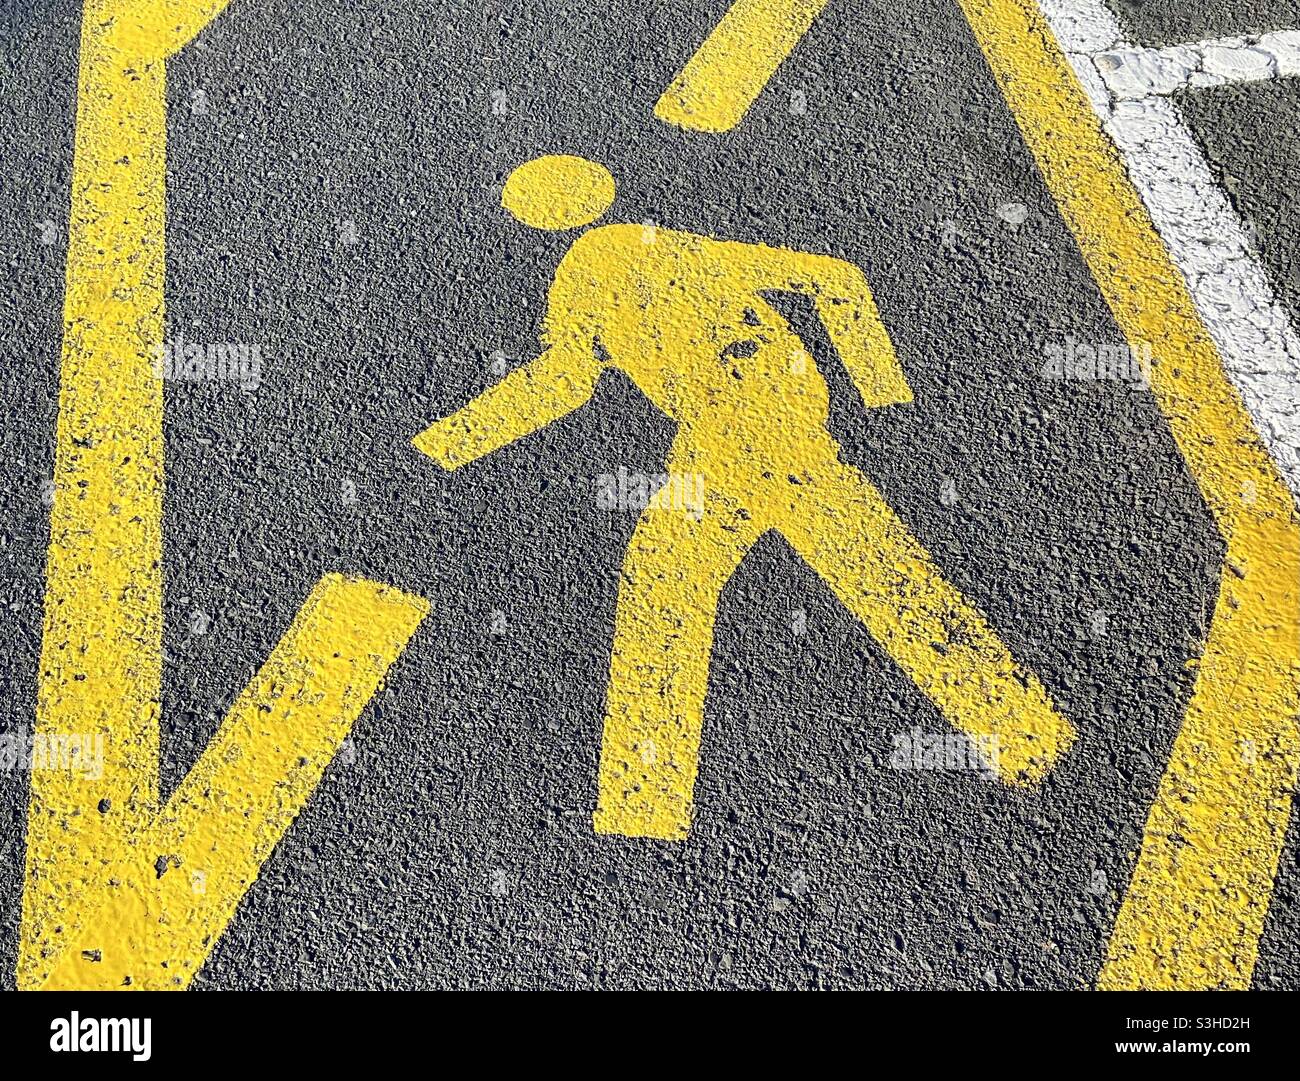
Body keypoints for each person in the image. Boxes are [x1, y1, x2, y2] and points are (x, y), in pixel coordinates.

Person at [416, 154, 1074, 840]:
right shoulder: (664, 243)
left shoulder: (584, 275)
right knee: (845, 551)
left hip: (735, 419)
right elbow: (834, 278)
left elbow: (564, 381)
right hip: (772, 405)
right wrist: (881, 388)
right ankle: (1019, 726)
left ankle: (645, 800)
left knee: (670, 572)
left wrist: (447, 446)